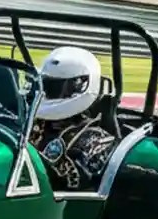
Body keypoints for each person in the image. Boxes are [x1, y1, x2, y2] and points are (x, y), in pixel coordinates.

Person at [29, 46, 117, 191]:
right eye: (48, 86)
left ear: (80, 85)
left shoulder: (95, 139)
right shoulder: (33, 122)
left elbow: (74, 183)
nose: (51, 93)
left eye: (57, 87)